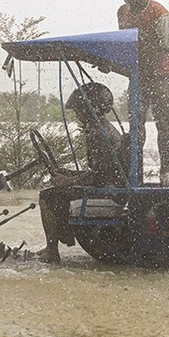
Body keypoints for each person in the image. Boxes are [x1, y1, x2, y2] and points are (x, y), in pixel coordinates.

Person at [36, 82, 127, 264]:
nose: (77, 115)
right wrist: (69, 174)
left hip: (107, 190)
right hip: (111, 185)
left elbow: (97, 175)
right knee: (59, 190)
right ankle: (61, 239)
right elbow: (101, 170)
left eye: (79, 110)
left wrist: (67, 181)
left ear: (88, 109)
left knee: (47, 196)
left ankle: (52, 250)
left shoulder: (98, 133)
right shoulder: (103, 128)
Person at [116, 0, 169, 186]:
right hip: (139, 74)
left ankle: (166, 170)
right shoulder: (122, 12)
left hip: (162, 73)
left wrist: (145, 67)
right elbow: (124, 47)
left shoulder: (159, 13)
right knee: (136, 123)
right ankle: (136, 170)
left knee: (163, 122)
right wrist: (113, 64)